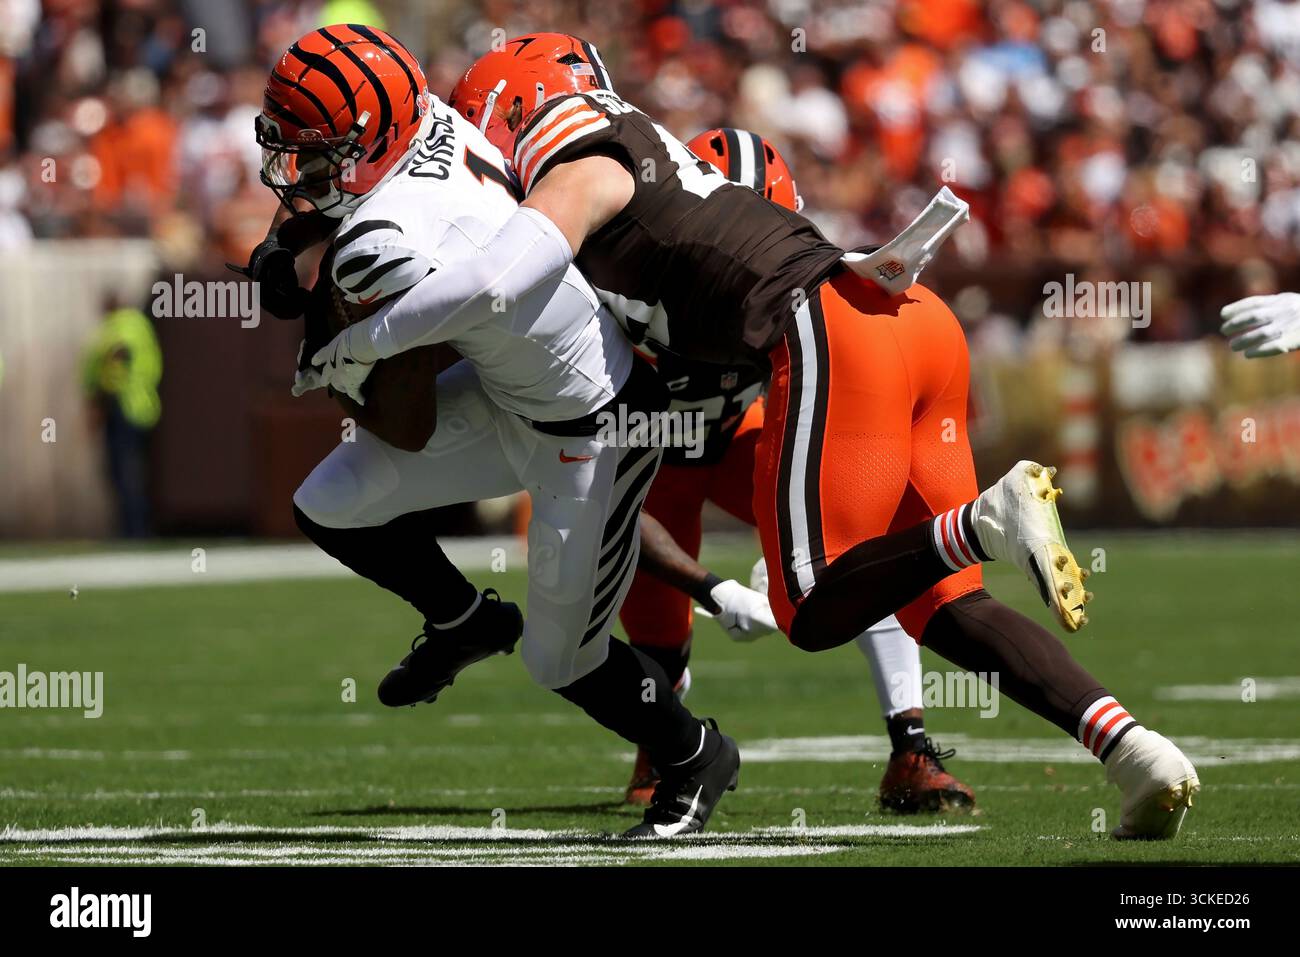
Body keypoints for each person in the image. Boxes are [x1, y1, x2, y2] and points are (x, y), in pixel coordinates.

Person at [308, 33, 1199, 839]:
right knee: (948, 606)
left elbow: (500, 286)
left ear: (511, 111)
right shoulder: (641, 161)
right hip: (911, 324)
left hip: (829, 327)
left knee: (808, 605)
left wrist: (360, 339)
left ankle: (983, 523)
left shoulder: (586, 166)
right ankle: (1137, 751)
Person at [254, 25, 737, 838]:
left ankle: (694, 753)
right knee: (330, 499)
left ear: (367, 142)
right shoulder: (430, 118)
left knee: (562, 661)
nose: (297, 171)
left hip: (593, 427)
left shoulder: (383, 243)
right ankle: (462, 619)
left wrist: (332, 366)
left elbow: (405, 424)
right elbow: (340, 200)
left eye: (316, 152)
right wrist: (281, 243)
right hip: (517, 389)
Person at [622, 128, 974, 813]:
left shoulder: (790, 279)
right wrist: (714, 586)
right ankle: (665, 739)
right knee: (655, 638)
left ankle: (910, 741)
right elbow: (596, 482)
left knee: (866, 547)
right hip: (648, 455)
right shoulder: (620, 285)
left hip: (738, 436)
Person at [81, 294, 161, 538]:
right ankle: (136, 528)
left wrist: (102, 398)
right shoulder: (139, 326)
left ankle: (134, 531)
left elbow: (117, 362)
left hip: (123, 409)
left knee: (124, 472)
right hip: (143, 409)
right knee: (133, 472)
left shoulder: (119, 328)